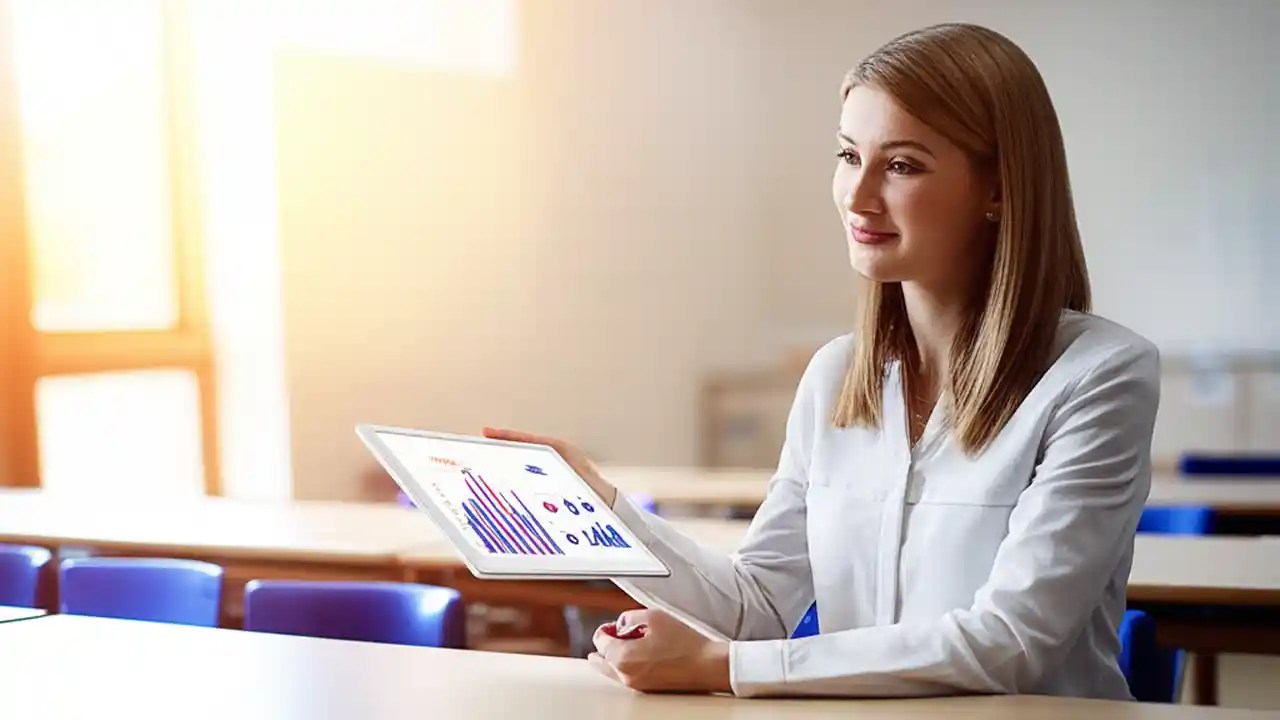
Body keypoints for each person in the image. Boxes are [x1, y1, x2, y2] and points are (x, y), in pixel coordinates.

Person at [485, 22, 1159, 699]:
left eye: (902, 165)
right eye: (847, 156)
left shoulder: (1101, 374)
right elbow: (758, 608)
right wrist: (600, 510)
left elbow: (1009, 643)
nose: (857, 196)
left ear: (999, 190)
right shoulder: (837, 375)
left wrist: (714, 667)